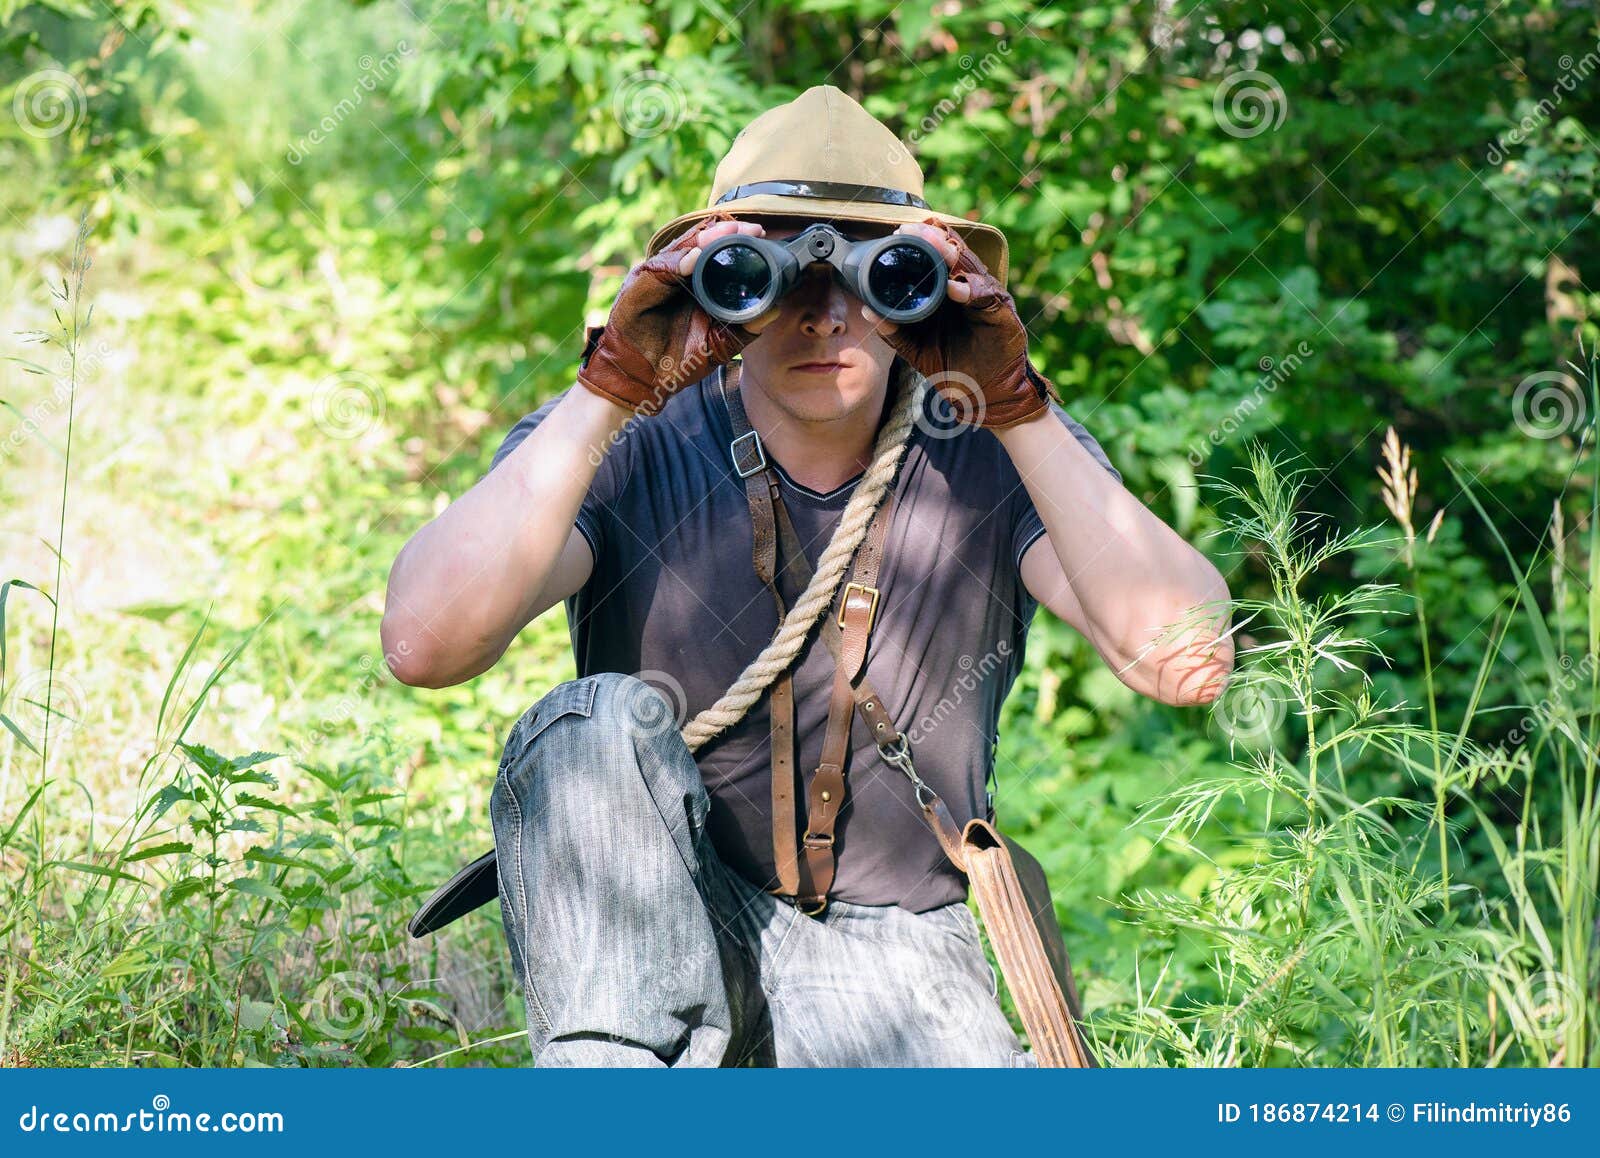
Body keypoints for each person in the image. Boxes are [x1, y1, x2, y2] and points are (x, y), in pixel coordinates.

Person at [381, 85, 1233, 1067]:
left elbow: (1190, 660)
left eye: (872, 275)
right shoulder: (631, 431)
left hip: (901, 954)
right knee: (588, 732)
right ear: (715, 284)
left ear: (923, 283)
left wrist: (1016, 405)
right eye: (773, 272)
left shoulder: (990, 437)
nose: (823, 318)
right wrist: (607, 386)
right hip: (658, 942)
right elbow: (425, 642)